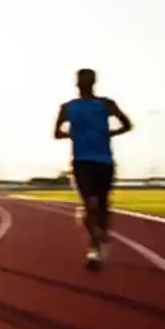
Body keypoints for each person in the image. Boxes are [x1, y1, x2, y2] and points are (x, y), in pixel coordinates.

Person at [54, 68, 133, 270]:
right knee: (90, 204)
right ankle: (95, 246)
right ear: (77, 83)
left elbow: (127, 124)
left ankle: (102, 237)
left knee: (103, 204)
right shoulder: (67, 107)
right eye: (82, 79)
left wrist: (109, 134)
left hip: (104, 160)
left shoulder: (106, 104)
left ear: (93, 81)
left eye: (87, 79)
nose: (84, 82)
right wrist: (73, 135)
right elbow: (56, 133)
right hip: (82, 160)